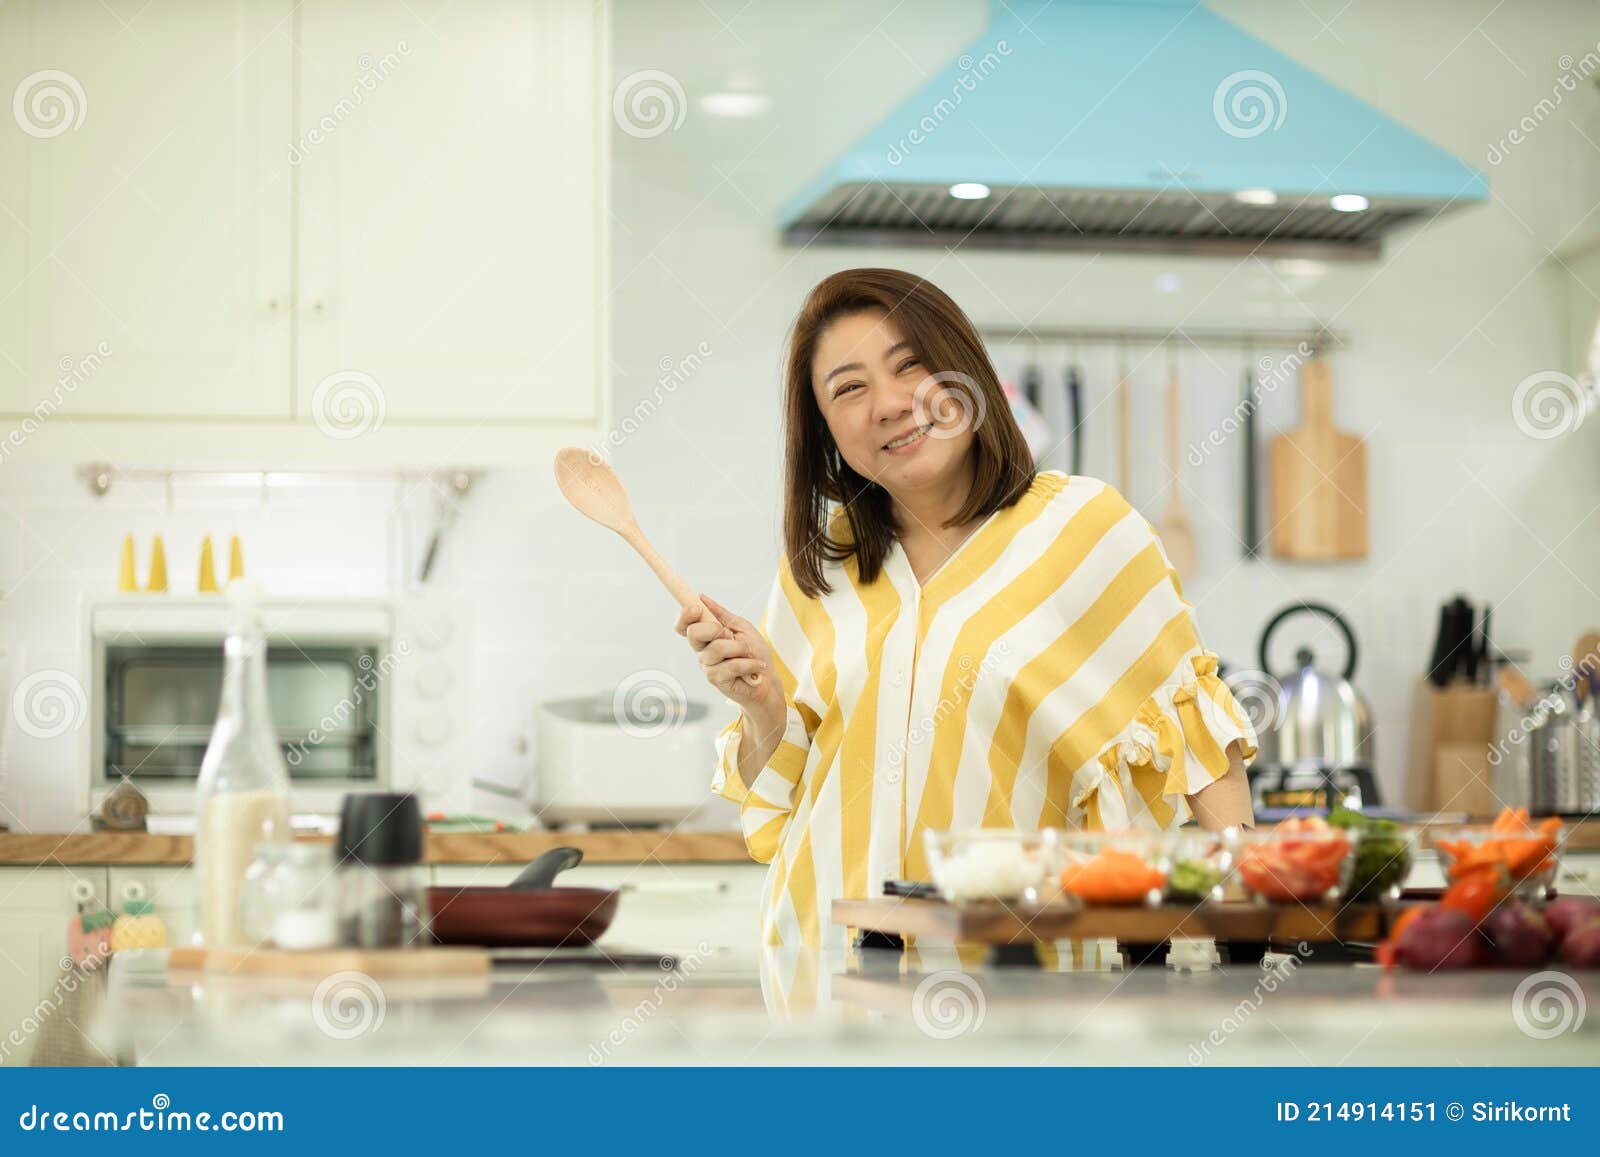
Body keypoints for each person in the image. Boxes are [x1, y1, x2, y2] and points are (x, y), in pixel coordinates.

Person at [676, 268, 1257, 948]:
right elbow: (779, 792)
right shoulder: (816, 571)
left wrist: (1250, 905)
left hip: (1020, 973)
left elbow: (1191, 721)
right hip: (822, 968)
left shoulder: (1087, 529)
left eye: (910, 365)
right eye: (850, 389)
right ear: (825, 429)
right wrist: (763, 706)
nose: (890, 403)